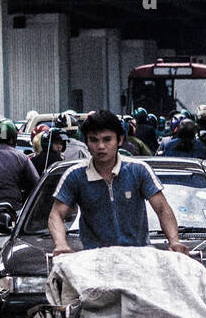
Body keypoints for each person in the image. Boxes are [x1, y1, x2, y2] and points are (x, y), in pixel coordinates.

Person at [48, 110, 189, 257]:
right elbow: (56, 214)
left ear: (120, 140)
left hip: (139, 258)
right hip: (94, 261)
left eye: (107, 139)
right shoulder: (74, 176)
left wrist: (174, 241)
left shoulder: (139, 170)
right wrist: (61, 244)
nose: (101, 146)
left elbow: (161, 208)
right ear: (87, 142)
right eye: (94, 140)